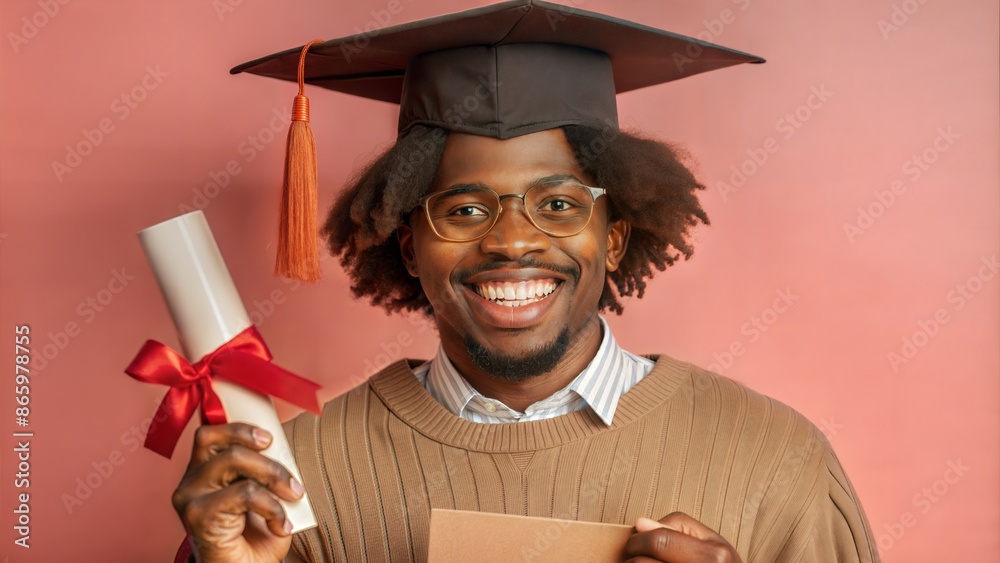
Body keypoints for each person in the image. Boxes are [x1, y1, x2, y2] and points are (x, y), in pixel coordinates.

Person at [170, 2, 879, 561]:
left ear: (616, 238)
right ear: (409, 245)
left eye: (561, 204)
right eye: (466, 208)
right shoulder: (296, 481)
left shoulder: (773, 456)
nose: (511, 240)